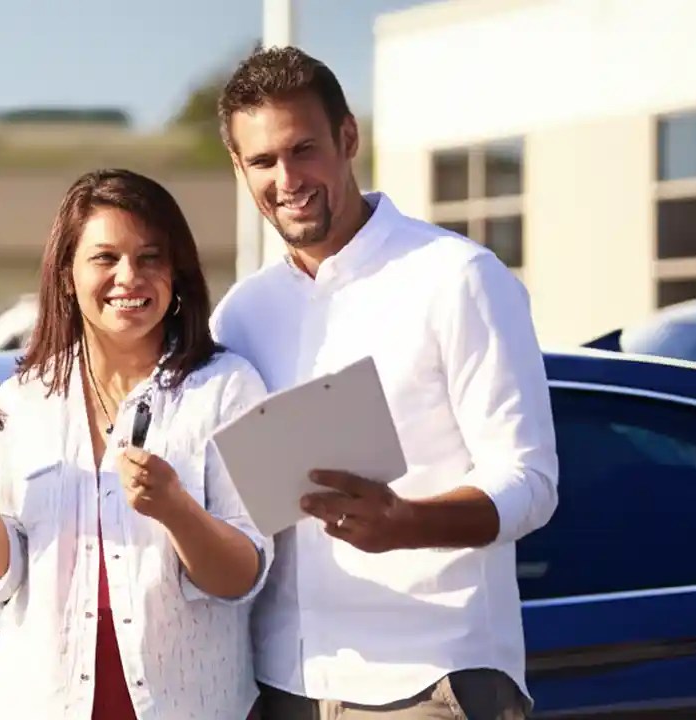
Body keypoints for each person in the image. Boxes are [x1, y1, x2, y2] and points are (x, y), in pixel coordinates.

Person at [210, 47, 559, 719]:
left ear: (347, 138)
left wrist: (407, 523)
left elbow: (532, 481)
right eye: (262, 161)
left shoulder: (458, 277)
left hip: (434, 682)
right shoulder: (242, 314)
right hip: (280, 685)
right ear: (238, 167)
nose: (287, 179)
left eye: (303, 149)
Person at [0, 168, 274, 720]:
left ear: (177, 271)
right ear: (67, 274)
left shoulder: (229, 387)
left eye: (150, 257)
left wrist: (176, 509)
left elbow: (243, 578)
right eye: (105, 257)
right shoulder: (22, 402)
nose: (128, 277)